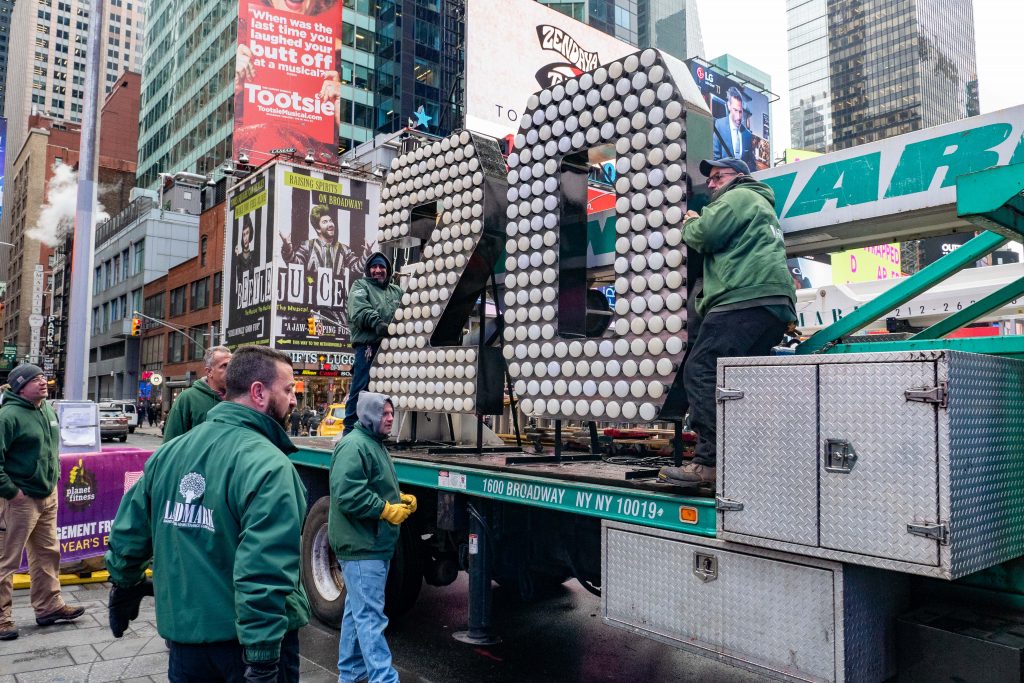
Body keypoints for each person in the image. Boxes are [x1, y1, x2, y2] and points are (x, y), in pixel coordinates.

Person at [105, 346, 310, 681]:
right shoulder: (270, 466)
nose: (293, 401)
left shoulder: (168, 454)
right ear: (258, 392)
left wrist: (124, 584)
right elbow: (264, 570)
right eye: (288, 390)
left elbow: (129, 531)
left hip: (186, 645)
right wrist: (262, 660)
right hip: (246, 650)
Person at [659, 158, 796, 491]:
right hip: (772, 303)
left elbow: (705, 235)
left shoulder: (740, 196)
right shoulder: (760, 204)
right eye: (709, 179)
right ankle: (747, 459)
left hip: (742, 297)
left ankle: (710, 463)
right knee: (741, 382)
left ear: (739, 177)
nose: (712, 184)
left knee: (701, 370)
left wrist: (690, 221)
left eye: (719, 176)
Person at [329, 392, 415, 683]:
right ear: (369, 416)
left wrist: (398, 498)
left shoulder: (372, 444)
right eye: (385, 414)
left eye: (392, 413)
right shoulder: (355, 446)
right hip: (362, 545)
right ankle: (383, 678)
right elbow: (347, 494)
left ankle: (350, 674)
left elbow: (368, 486)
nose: (391, 418)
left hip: (370, 543)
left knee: (357, 614)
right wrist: (385, 509)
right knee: (370, 618)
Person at [0, 364, 85, 640]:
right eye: (34, 379)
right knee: (6, 560)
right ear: (20, 387)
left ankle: (49, 606)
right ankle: (2, 618)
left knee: (47, 553)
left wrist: (55, 476)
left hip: (47, 496)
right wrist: (12, 491)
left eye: (42, 377)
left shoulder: (46, 409)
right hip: (19, 500)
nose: (42, 382)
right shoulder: (8, 416)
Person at [343, 252, 403, 434]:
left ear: (388, 270)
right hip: (368, 347)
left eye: (382, 267)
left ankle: (378, 431)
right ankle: (350, 430)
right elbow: (359, 308)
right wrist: (376, 322)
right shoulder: (360, 285)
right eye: (374, 267)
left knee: (386, 393)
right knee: (361, 388)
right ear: (369, 269)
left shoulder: (397, 291)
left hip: (392, 349)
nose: (377, 270)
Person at [163, 346, 232, 441]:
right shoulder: (187, 398)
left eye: (232, 366)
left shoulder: (239, 398)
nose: (231, 370)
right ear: (209, 371)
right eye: (224, 366)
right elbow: (170, 442)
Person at [712, 87, 757, 172]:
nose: (739, 117)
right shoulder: (719, 125)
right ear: (729, 106)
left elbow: (752, 165)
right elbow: (715, 157)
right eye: (735, 110)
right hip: (724, 181)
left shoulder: (747, 135)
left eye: (740, 112)